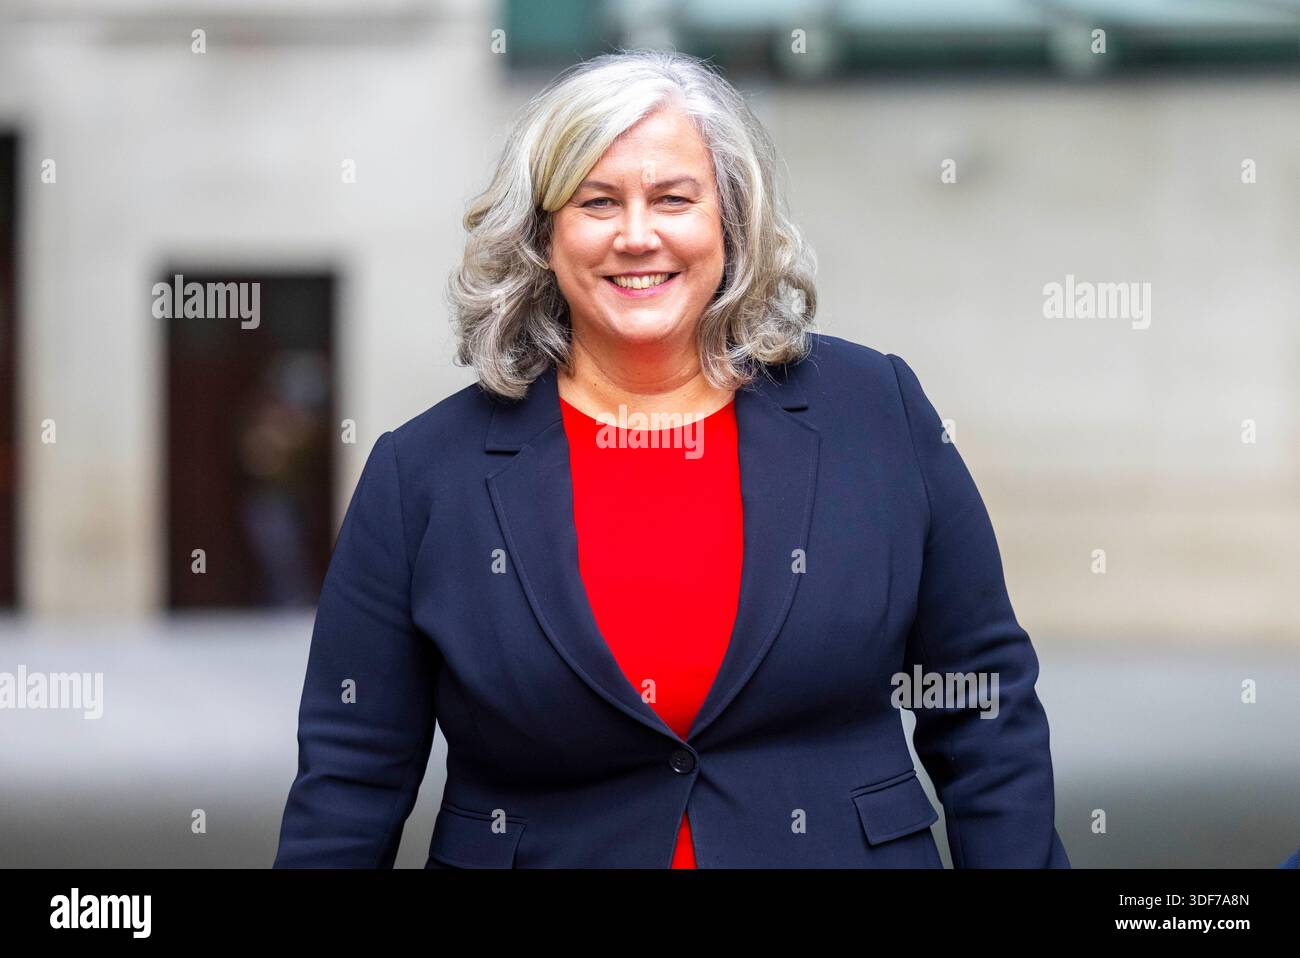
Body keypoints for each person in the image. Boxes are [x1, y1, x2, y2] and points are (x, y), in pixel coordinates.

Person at [273, 48, 1070, 868]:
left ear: (729, 221)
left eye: (673, 198)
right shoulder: (424, 475)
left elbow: (985, 708)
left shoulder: (876, 411)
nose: (637, 235)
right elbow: (350, 778)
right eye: (597, 202)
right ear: (544, 236)